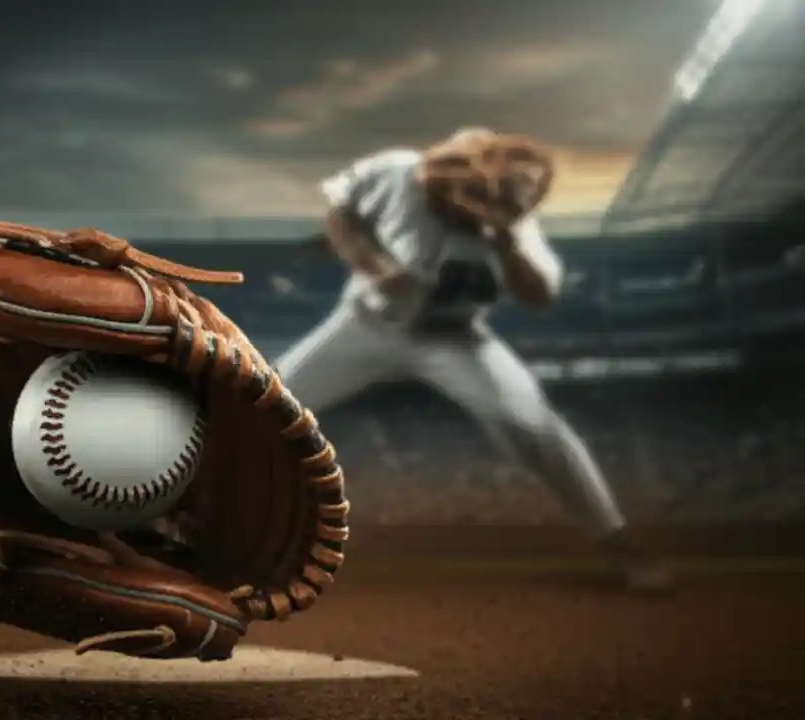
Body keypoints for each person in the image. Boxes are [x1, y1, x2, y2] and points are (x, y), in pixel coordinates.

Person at [274, 127, 672, 594]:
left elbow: (539, 296)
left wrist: (508, 246)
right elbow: (340, 216)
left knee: (536, 427)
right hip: (365, 327)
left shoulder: (515, 228)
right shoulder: (398, 171)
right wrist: (373, 265)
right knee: (257, 401)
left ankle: (620, 543)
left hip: (457, 341)